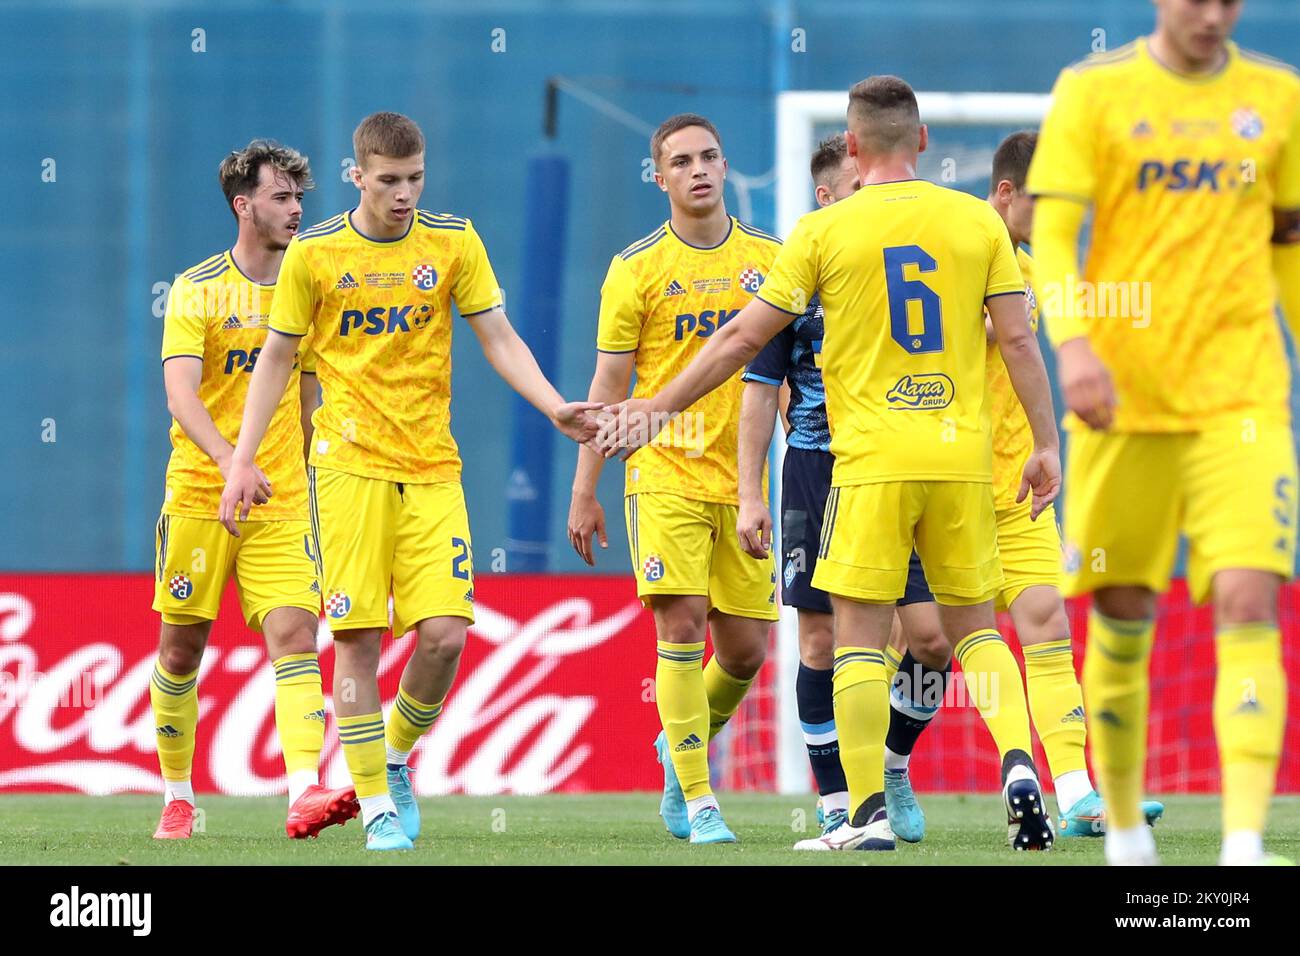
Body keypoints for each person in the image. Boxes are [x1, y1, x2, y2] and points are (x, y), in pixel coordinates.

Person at [599, 77, 1062, 853]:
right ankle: (1020, 767)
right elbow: (1018, 343)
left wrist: (655, 408)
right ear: (923, 142)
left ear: (852, 146)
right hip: (961, 461)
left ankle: (864, 816)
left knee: (853, 642)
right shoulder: (978, 222)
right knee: (975, 632)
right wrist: (1047, 445)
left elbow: (741, 343)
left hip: (870, 464)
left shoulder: (820, 234)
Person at [220, 112, 600, 851]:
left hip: (431, 468)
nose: (404, 193)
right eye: (388, 180)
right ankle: (376, 806)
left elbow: (498, 334)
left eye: (415, 178)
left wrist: (556, 406)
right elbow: (275, 358)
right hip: (346, 467)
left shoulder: (453, 241)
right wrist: (242, 457)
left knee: (446, 638)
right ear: (356, 175)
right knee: (357, 639)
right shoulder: (316, 253)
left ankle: (391, 760)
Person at [1029, 0, 1300, 865]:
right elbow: (1054, 238)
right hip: (1119, 399)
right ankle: (1120, 830)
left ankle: (1246, 843)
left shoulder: (1280, 96)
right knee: (1123, 606)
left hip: (1242, 400)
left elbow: (1288, 244)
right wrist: (1073, 347)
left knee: (1249, 598)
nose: (1213, 15)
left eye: (1229, 0)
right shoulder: (1092, 91)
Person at [568, 113, 781, 845]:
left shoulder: (770, 260)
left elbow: (781, 372)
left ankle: (678, 743)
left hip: (743, 478)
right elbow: (608, 383)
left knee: (748, 649)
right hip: (662, 478)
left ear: (726, 167)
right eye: (682, 161)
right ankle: (699, 797)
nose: (699, 170)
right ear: (659, 178)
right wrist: (584, 489)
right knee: (682, 626)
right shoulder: (635, 269)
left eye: (710, 157)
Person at [735, 133, 950, 843]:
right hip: (817, 469)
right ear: (828, 197)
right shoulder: (795, 272)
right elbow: (760, 390)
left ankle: (889, 763)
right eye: (860, 190)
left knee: (931, 638)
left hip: (898, 465)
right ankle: (840, 802)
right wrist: (751, 494)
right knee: (822, 641)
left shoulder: (904, 271)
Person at [153, 139, 356, 840]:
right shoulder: (196, 288)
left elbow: (306, 400)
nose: (297, 209)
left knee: (296, 635)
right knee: (181, 650)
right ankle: (178, 796)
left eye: (301, 197)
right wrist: (229, 462)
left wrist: (322, 475)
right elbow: (182, 396)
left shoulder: (310, 287)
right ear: (244, 207)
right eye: (281, 197)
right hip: (200, 496)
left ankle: (303, 790)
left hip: (283, 498)